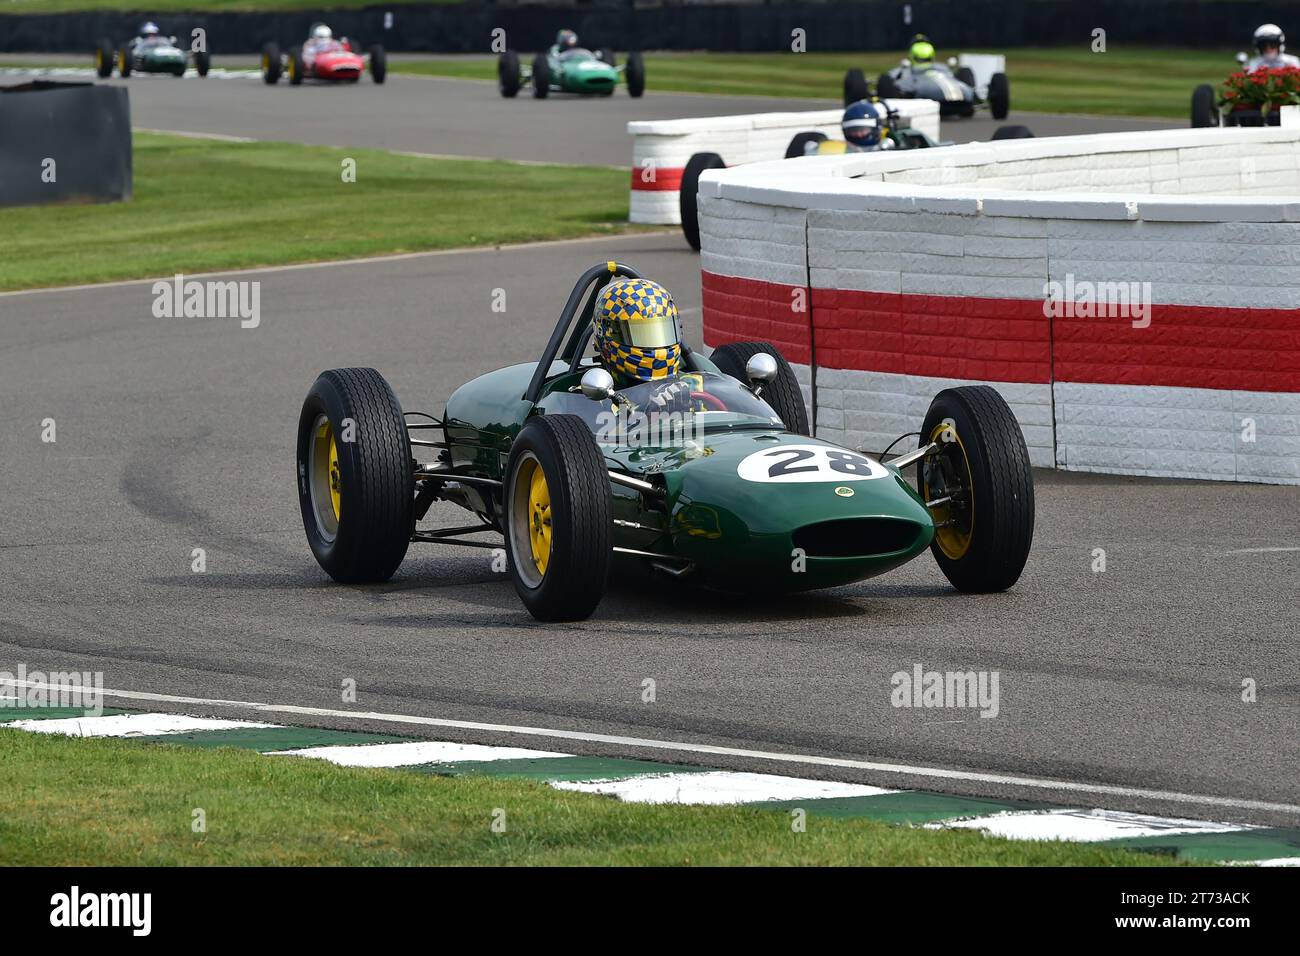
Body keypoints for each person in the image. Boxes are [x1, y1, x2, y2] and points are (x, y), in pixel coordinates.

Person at [592, 278, 694, 413]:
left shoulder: (694, 382)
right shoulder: (590, 399)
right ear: (605, 336)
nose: (658, 352)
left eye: (663, 333)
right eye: (641, 335)